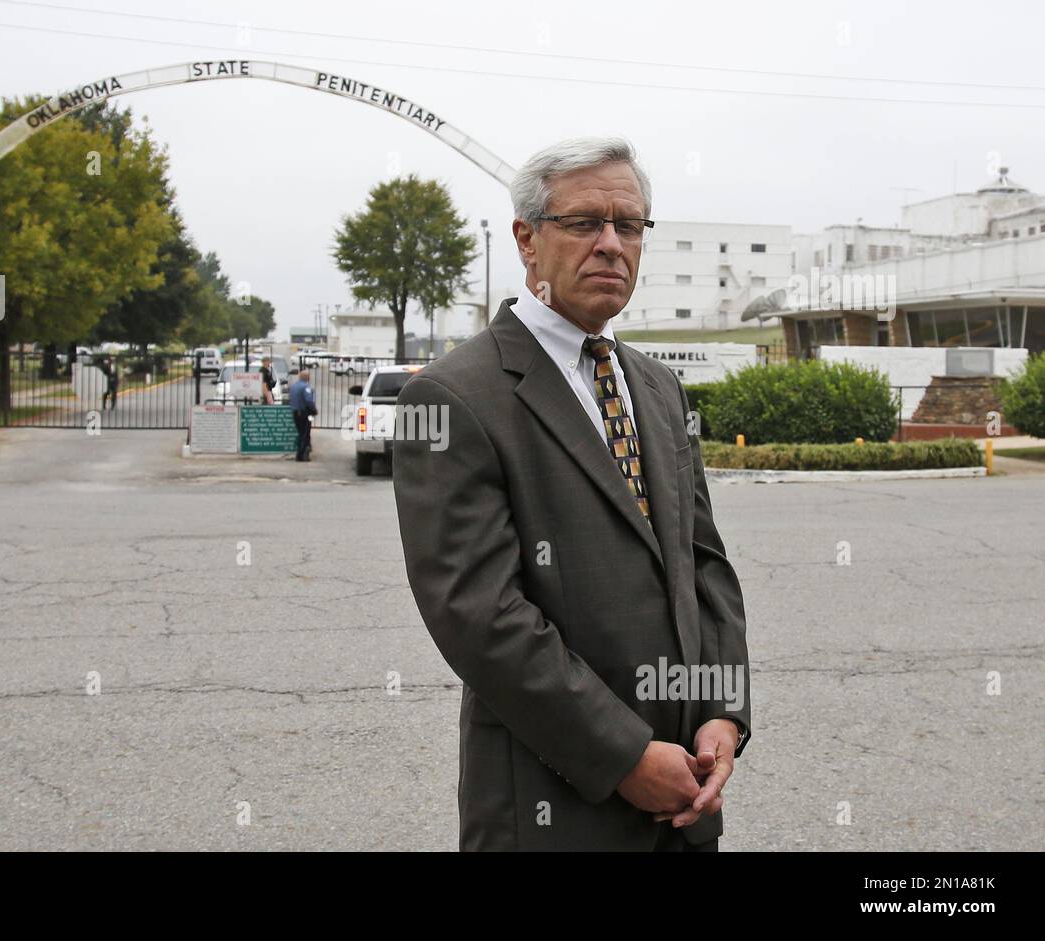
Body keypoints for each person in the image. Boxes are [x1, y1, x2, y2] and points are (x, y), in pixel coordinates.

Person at [392, 138, 751, 852]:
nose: (612, 244)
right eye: (586, 222)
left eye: (631, 224)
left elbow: (702, 561)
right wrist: (622, 756)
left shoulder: (657, 386)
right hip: (554, 807)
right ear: (527, 239)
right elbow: (481, 616)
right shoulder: (455, 397)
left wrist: (723, 711)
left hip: (687, 795)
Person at [288, 369, 316, 461]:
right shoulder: (305, 387)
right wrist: (313, 409)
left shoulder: (293, 387)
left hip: (295, 413)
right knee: (305, 434)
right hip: (304, 413)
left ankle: (300, 453)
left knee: (300, 433)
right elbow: (308, 400)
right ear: (307, 378)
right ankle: (301, 454)